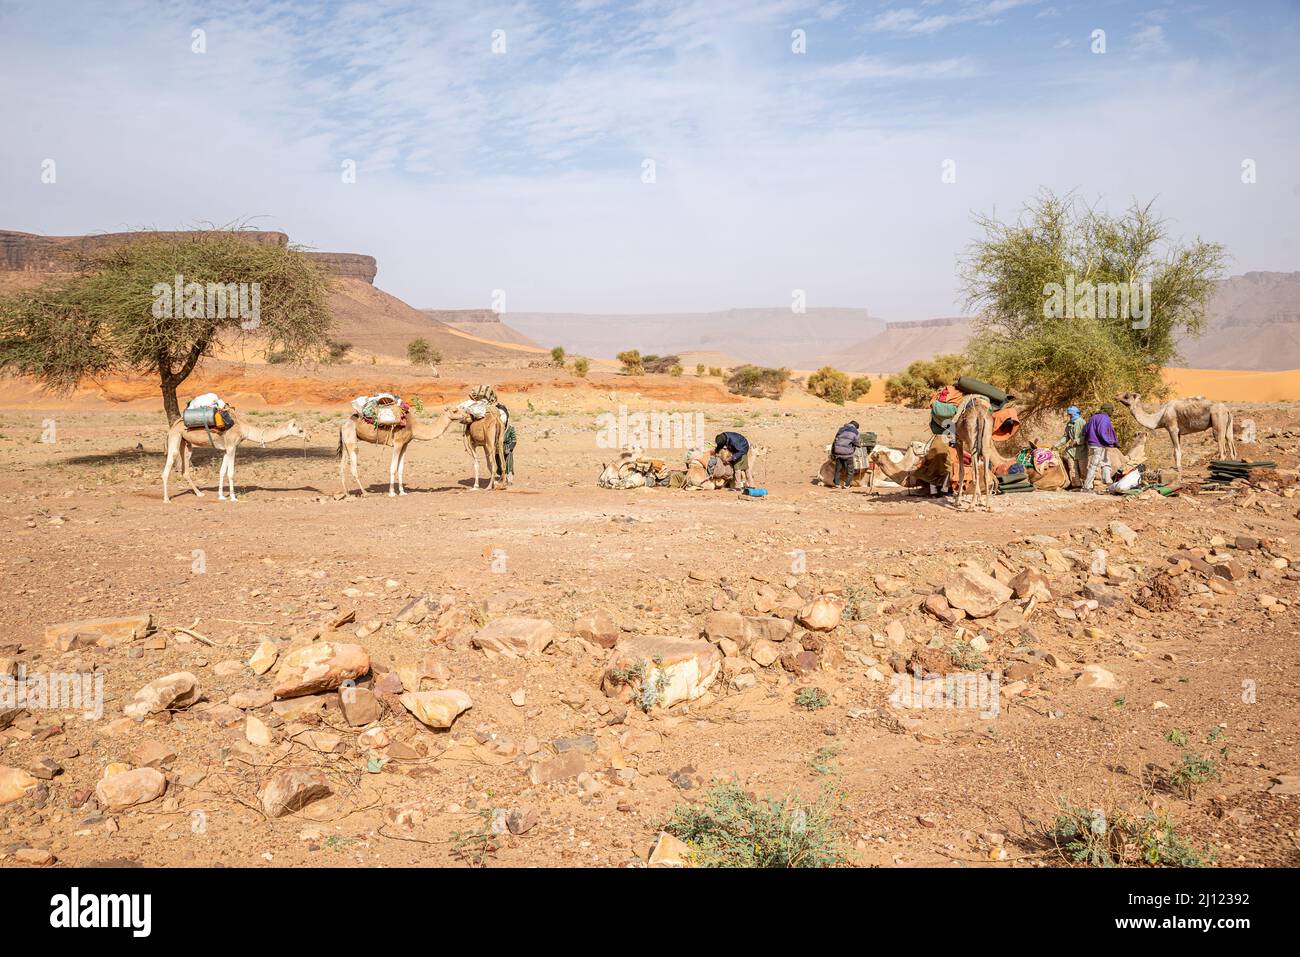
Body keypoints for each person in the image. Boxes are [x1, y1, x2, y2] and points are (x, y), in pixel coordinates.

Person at [1082, 404, 1120, 492]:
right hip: (1098, 444)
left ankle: (1108, 482)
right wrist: (1111, 442)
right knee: (1094, 465)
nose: (1112, 412)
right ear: (1107, 410)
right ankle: (1086, 486)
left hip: (1093, 444)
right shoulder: (1104, 418)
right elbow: (1102, 432)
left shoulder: (1093, 417)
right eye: (1111, 410)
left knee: (1106, 462)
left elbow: (1085, 430)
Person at [1055, 406, 1086, 488]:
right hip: (1071, 451)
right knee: (1072, 469)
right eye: (1069, 414)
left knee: (1083, 470)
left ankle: (1087, 485)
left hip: (1082, 450)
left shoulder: (1082, 422)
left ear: (1076, 413)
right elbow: (1066, 437)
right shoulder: (1069, 424)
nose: (1070, 416)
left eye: (1071, 414)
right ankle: (1077, 486)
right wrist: (1056, 446)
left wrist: (1077, 441)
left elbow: (1087, 436)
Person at [831, 420, 860, 488]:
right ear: (856, 427)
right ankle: (847, 485)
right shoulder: (855, 432)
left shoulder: (841, 429)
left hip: (837, 452)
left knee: (838, 469)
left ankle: (837, 484)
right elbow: (857, 443)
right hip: (847, 454)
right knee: (850, 470)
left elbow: (835, 439)